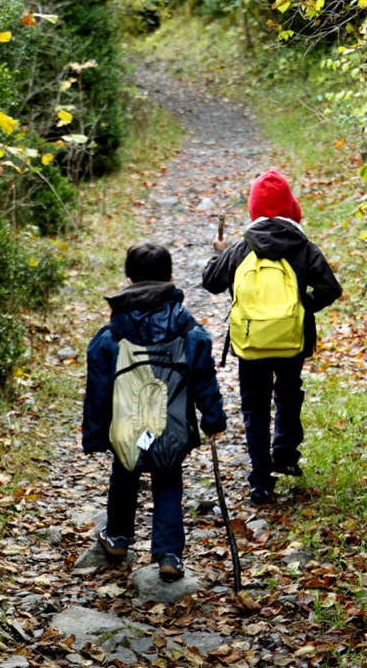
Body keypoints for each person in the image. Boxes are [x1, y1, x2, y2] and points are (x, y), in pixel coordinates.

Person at [83, 241, 227, 581]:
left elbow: (98, 388)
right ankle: (169, 555)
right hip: (171, 427)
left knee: (124, 471)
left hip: (125, 427)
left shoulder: (111, 334)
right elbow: (204, 379)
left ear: (129, 280)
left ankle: (117, 537)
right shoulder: (189, 331)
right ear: (171, 278)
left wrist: (95, 434)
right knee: (167, 480)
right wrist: (213, 418)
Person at [202, 169, 342, 505]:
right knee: (289, 393)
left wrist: (220, 253)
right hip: (292, 339)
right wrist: (301, 307)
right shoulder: (304, 248)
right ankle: (285, 454)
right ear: (291, 207)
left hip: (251, 343)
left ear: (253, 210)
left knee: (254, 406)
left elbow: (210, 281)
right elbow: (329, 288)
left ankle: (260, 480)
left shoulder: (240, 248)